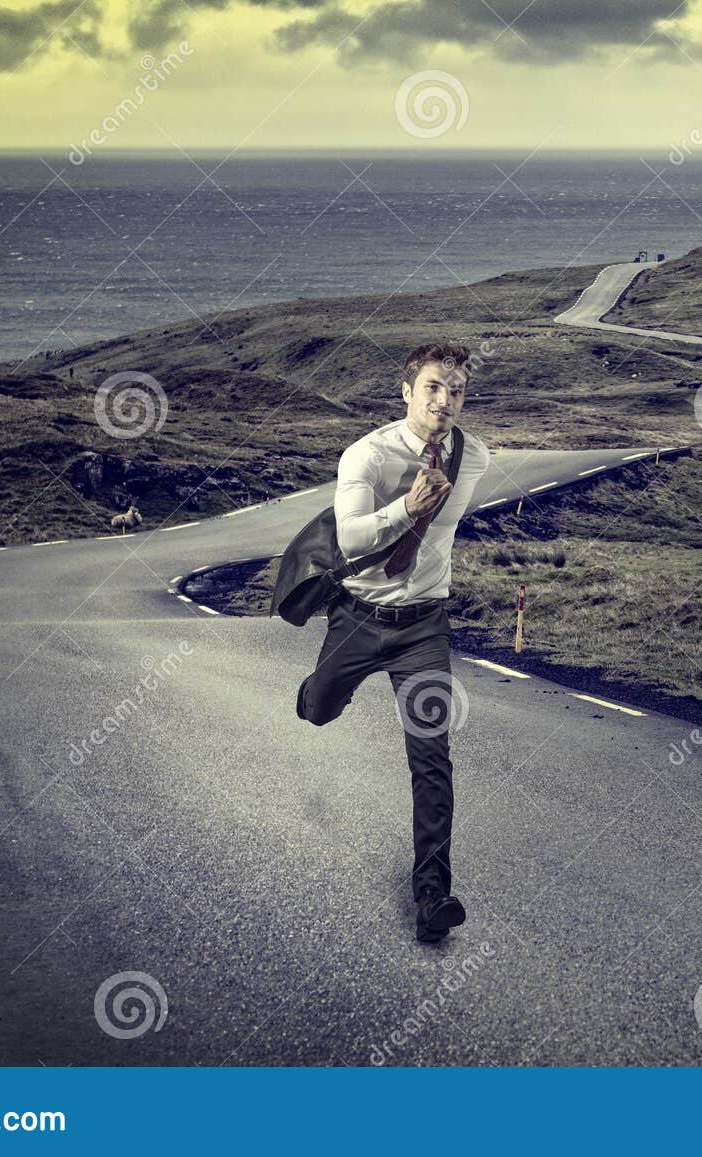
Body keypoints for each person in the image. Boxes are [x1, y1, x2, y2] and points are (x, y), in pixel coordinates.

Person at [299, 342, 491, 942]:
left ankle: (432, 898)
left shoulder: (473, 457)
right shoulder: (367, 455)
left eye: (456, 390)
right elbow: (353, 538)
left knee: (432, 756)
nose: (445, 400)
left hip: (424, 627)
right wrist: (406, 510)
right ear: (407, 391)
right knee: (319, 709)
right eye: (433, 386)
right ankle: (315, 690)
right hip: (357, 617)